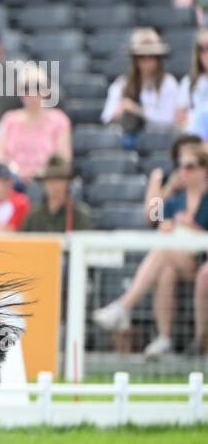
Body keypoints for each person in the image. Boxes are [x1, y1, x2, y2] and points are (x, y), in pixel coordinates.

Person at [93, 143, 208, 357]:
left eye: (190, 166)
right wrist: (159, 186)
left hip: (202, 262)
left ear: (204, 169)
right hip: (180, 261)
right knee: (166, 269)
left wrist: (192, 228)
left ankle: (123, 306)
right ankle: (164, 338)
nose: (183, 171)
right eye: (180, 166)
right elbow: (152, 217)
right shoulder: (178, 200)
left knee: (163, 251)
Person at [102, 28, 187, 149]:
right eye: (142, 57)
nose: (147, 61)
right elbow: (106, 117)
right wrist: (120, 112)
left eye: (152, 56)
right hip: (126, 139)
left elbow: (168, 119)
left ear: (158, 59)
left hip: (159, 142)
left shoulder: (168, 83)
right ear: (135, 60)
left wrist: (137, 109)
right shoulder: (121, 84)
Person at [0, 64, 72, 178]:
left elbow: (63, 160)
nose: (32, 94)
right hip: (12, 181)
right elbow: (0, 158)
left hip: (48, 180)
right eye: (27, 88)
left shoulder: (59, 120)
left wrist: (36, 173)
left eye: (37, 88)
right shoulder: (8, 120)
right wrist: (17, 172)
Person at [21, 156, 93, 233]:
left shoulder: (79, 215)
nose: (54, 185)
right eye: (49, 180)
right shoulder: (34, 215)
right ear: (43, 184)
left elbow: (86, 242)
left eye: (59, 180)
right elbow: (23, 241)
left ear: (67, 183)